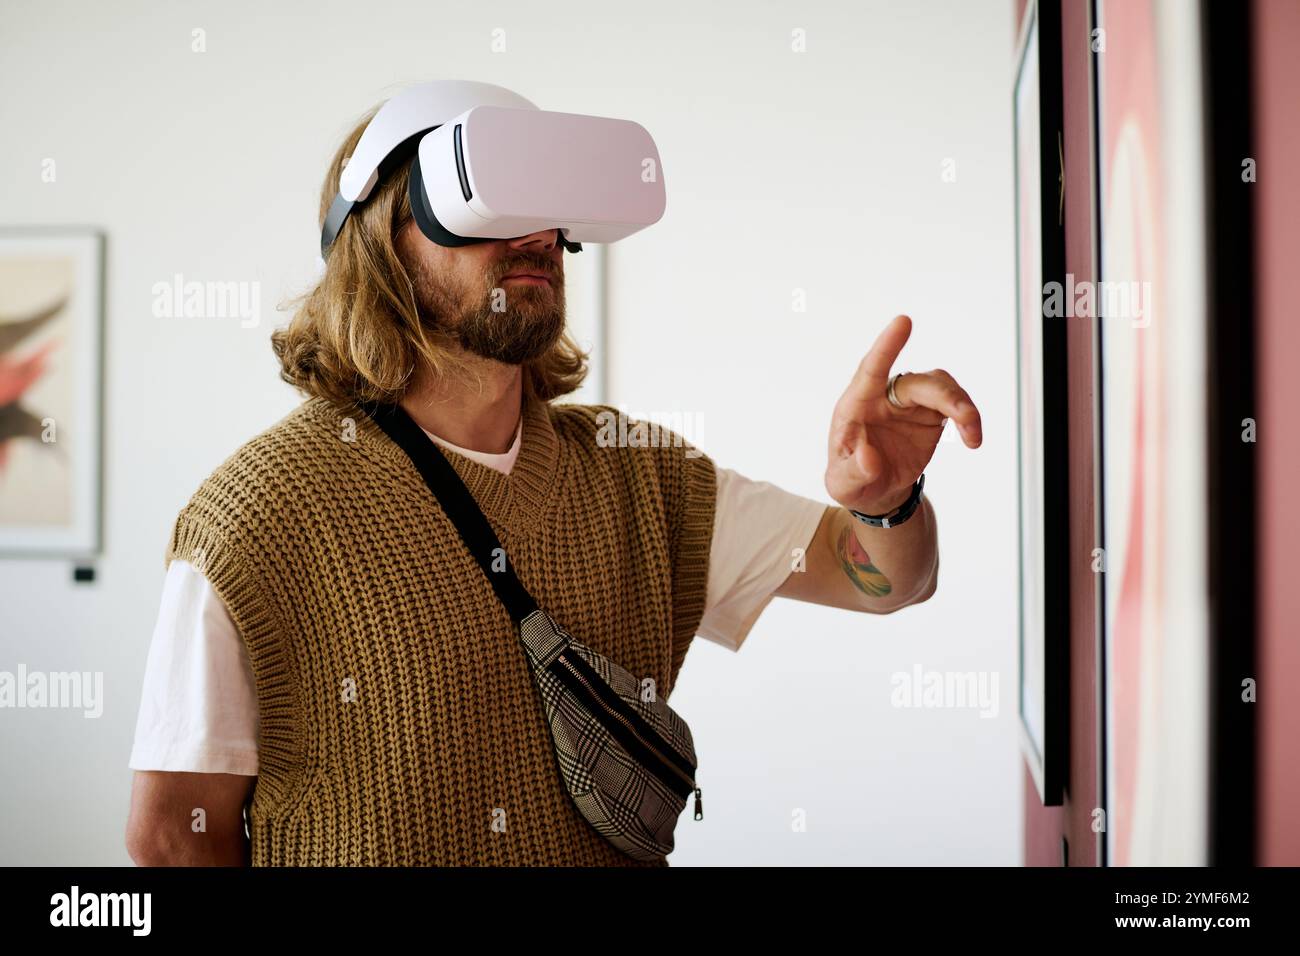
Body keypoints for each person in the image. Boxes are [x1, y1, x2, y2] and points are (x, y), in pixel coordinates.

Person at [124, 85, 983, 868]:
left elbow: (887, 583)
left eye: (547, 203)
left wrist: (887, 501)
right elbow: (171, 837)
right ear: (382, 238)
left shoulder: (642, 480)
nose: (537, 232)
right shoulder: (258, 517)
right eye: (489, 195)